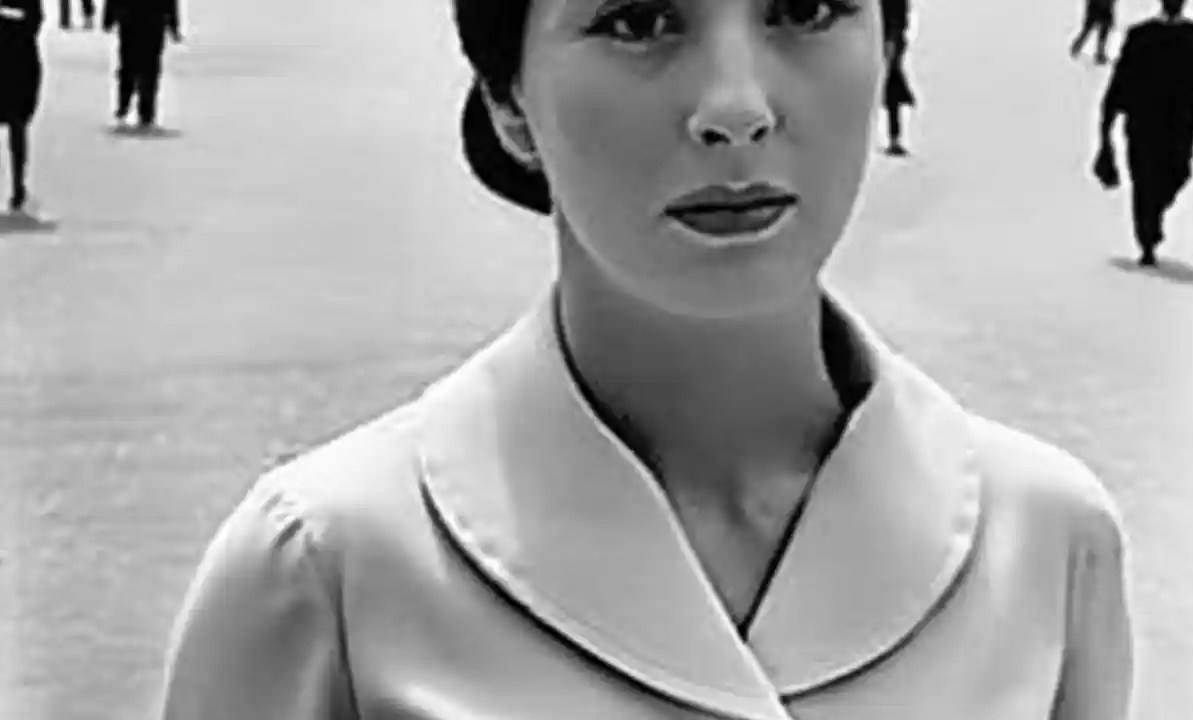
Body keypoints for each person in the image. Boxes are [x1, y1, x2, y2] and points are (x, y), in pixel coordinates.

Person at [157, 1, 1135, 718]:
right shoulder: (328, 563)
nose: (735, 108)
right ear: (508, 105)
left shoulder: (1045, 541)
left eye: (802, 10)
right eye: (637, 22)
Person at [1097, 0, 1193, 266]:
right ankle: (1147, 241)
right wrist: (1107, 121)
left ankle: (1154, 214)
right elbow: (1122, 76)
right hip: (1144, 120)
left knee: (1178, 173)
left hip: (1180, 122)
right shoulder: (1140, 35)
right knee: (1143, 179)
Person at [102, 0, 182, 128]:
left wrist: (108, 18)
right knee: (149, 67)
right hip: (153, 19)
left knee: (129, 63)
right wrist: (173, 24)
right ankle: (145, 111)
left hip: (131, 18)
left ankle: (126, 104)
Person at [0, 0, 42, 212]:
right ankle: (18, 185)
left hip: (18, 61)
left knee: (18, 123)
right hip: (20, 59)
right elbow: (34, 21)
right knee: (18, 124)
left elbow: (35, 22)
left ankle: (18, 185)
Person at [882, 0, 915, 155]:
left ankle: (894, 138)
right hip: (882, 39)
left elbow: (899, 16)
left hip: (888, 40)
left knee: (891, 86)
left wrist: (892, 40)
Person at [1070, 0, 1117, 64]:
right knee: (1088, 29)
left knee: (1103, 30)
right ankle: (1075, 49)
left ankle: (1100, 54)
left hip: (1104, 7)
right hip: (1096, 6)